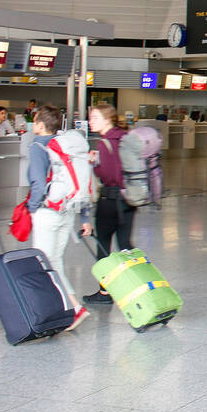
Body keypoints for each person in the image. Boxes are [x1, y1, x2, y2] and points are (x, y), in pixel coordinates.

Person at [26, 105, 89, 330]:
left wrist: (33, 208)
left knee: (43, 262)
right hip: (66, 212)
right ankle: (71, 307)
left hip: (47, 212)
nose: (33, 125)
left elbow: (38, 182)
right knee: (54, 260)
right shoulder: (66, 147)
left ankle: (64, 309)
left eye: (35, 122)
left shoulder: (38, 147)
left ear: (41, 125)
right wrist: (85, 216)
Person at [79, 103, 136, 304]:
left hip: (110, 199)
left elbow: (110, 175)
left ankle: (105, 292)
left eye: (94, 117)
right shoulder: (124, 137)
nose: (90, 121)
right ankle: (137, 286)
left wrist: (94, 163)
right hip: (129, 198)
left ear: (107, 120)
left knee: (103, 244)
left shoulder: (105, 143)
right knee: (125, 245)